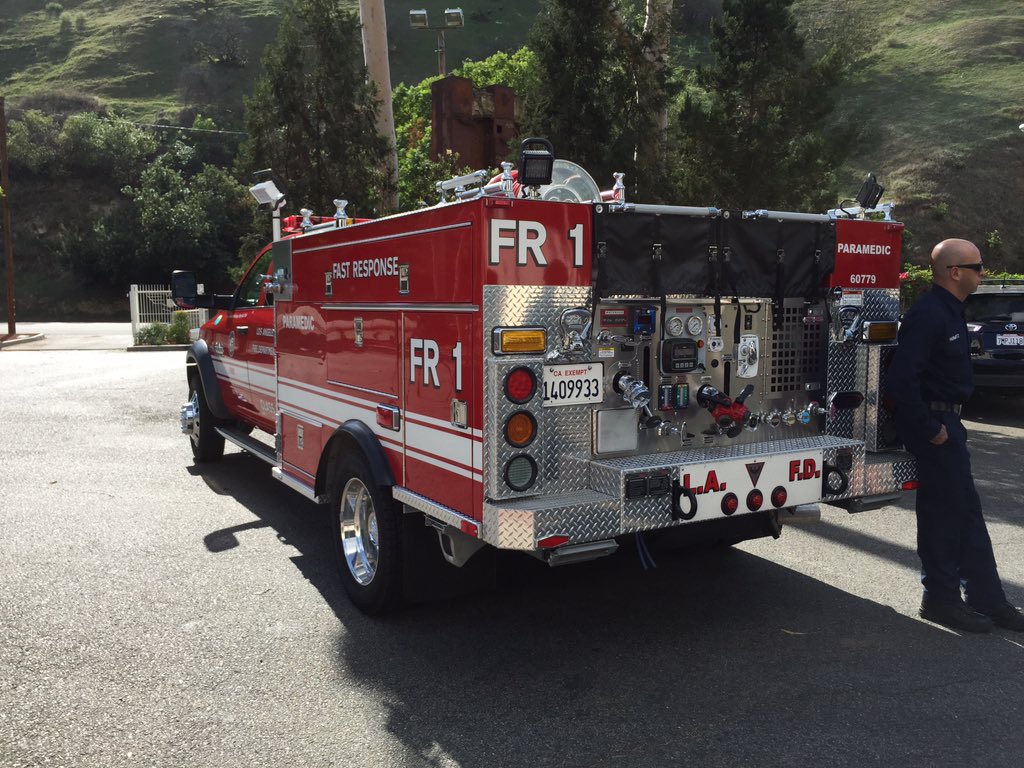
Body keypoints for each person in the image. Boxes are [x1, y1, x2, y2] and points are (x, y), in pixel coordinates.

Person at [886, 238, 1024, 633]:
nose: (984, 272)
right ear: (954, 272)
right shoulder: (929, 314)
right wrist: (930, 431)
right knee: (944, 516)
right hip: (937, 428)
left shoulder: (951, 312)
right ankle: (940, 600)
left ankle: (986, 599)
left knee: (965, 514)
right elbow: (900, 381)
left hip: (951, 426)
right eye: (978, 266)